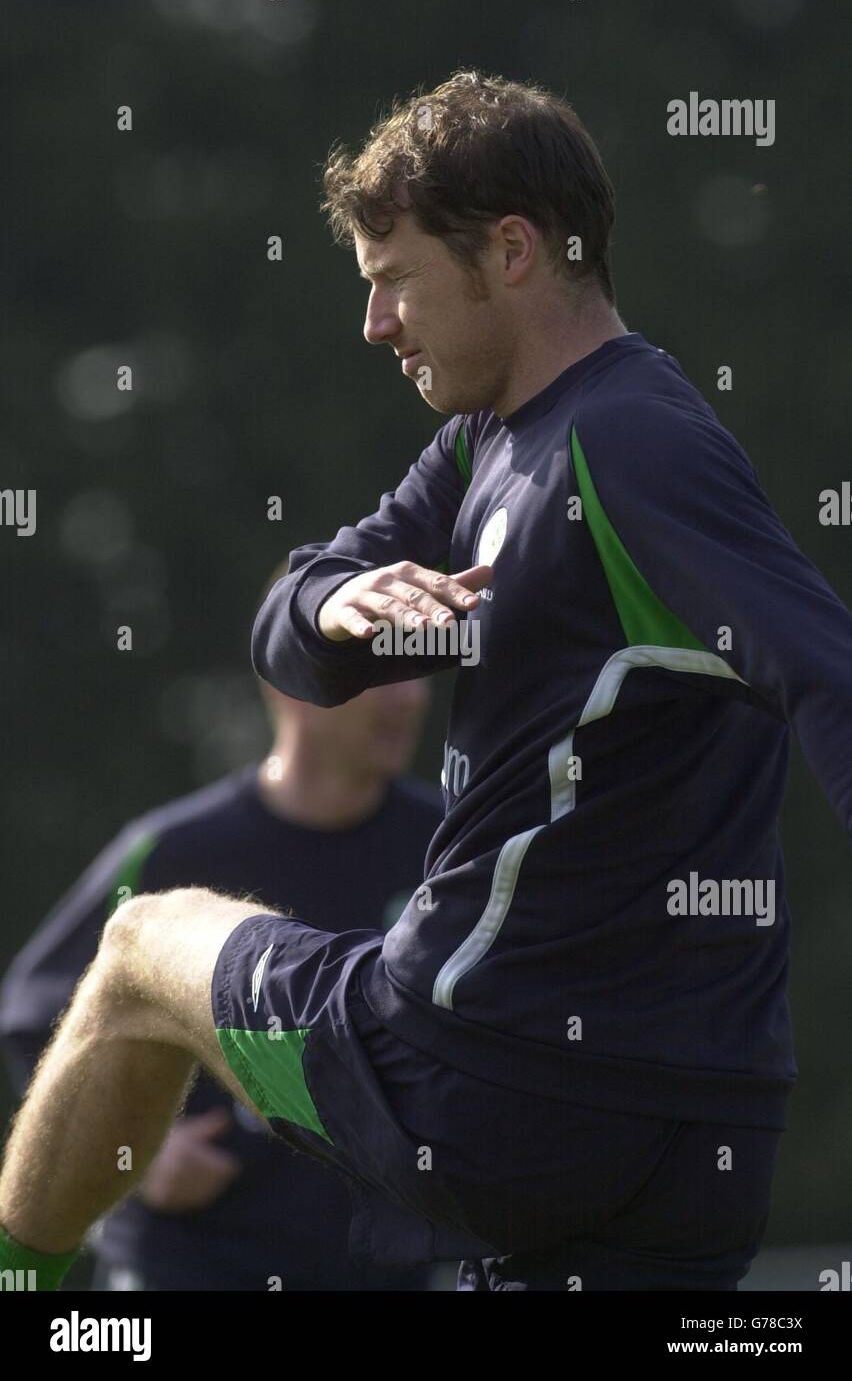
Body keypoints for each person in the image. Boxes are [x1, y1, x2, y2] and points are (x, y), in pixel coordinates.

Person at [3, 68, 852, 1293]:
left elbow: (829, 678)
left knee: (142, 946)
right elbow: (292, 623)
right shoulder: (489, 436)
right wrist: (330, 606)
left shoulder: (626, 444)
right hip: (700, 1134)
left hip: (480, 1080)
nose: (376, 326)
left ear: (512, 251)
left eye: (393, 280)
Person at [0, 621, 440, 1290]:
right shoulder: (171, 850)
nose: (408, 697)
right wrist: (135, 1162)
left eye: (416, 669)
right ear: (291, 681)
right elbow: (38, 1019)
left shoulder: (451, 849)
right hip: (188, 1268)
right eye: (381, 671)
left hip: (379, 1273)